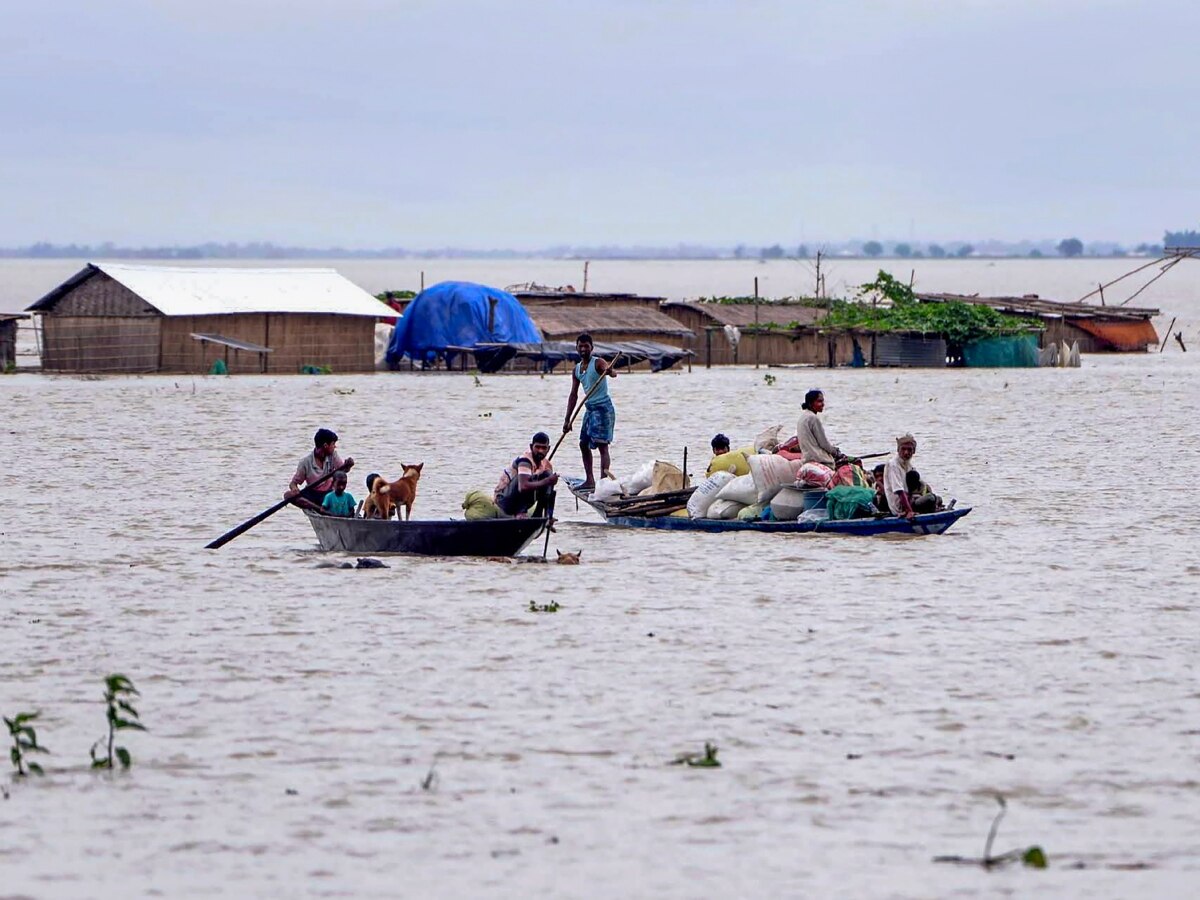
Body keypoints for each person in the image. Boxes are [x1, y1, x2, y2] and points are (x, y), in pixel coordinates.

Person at [564, 332, 616, 490]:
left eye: (586, 346)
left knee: (602, 446)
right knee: (583, 444)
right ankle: (590, 480)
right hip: (590, 409)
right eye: (581, 346)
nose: (583, 349)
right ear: (577, 348)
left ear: (592, 348)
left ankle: (603, 483)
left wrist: (609, 372)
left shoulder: (598, 362)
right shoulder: (577, 370)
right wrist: (567, 420)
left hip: (603, 408)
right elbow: (573, 395)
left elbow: (611, 372)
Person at [285, 428, 354, 509]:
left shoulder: (333, 455)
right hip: (312, 494)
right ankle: (318, 508)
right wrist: (295, 489)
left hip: (328, 494)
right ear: (325, 446)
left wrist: (348, 465)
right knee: (288, 495)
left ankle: (322, 509)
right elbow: (293, 483)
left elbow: (343, 471)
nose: (335, 446)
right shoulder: (305, 462)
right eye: (333, 444)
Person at [495, 431, 559, 517]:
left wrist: (549, 515)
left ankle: (540, 515)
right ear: (531, 447)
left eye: (544, 448)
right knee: (526, 479)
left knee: (547, 475)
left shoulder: (546, 464)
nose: (540, 451)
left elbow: (548, 489)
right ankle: (521, 512)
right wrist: (547, 481)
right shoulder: (524, 461)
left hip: (524, 500)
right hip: (505, 500)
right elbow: (523, 487)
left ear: (548, 449)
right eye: (537, 447)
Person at [882, 433, 920, 519]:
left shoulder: (909, 465)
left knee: (936, 499)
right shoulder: (893, 465)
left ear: (913, 451)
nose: (906, 452)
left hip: (909, 500)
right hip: (898, 507)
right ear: (898, 450)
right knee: (929, 499)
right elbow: (899, 491)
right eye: (903, 449)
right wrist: (909, 511)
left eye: (909, 450)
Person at [797, 389, 840, 466]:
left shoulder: (803, 417)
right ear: (810, 403)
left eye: (823, 401)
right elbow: (824, 443)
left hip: (806, 459)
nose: (823, 404)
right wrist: (835, 452)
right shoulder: (813, 418)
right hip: (819, 460)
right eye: (819, 401)